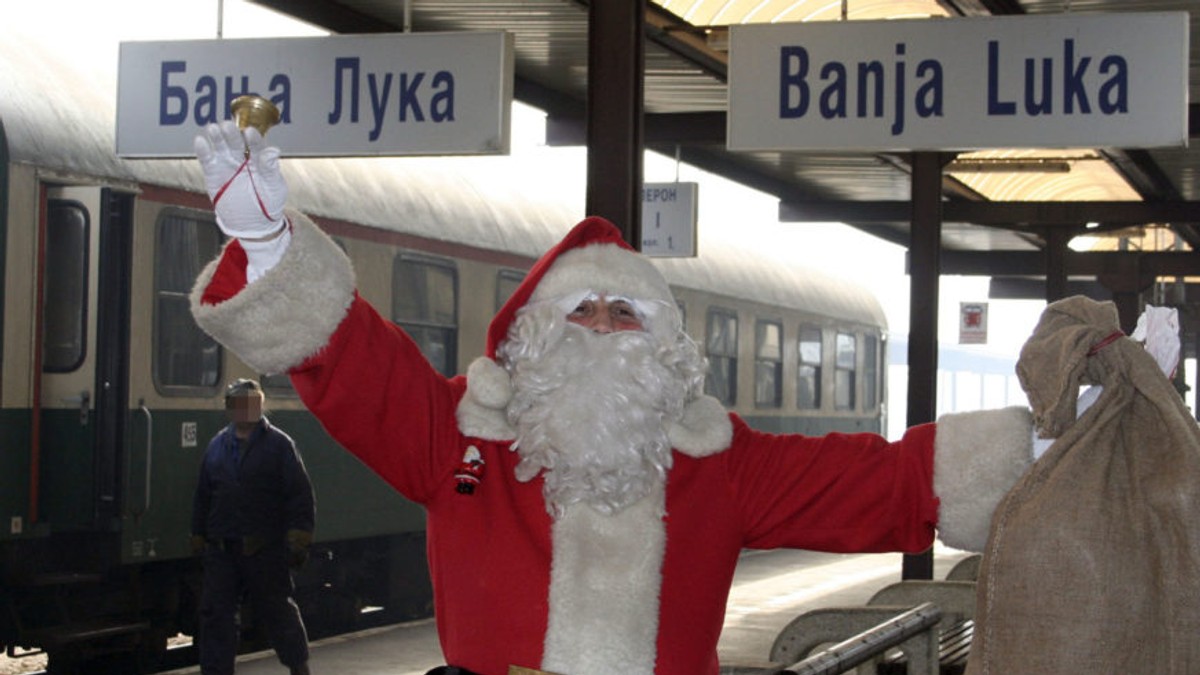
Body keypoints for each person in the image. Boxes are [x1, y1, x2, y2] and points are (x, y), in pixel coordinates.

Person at [189, 121, 1034, 675]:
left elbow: (881, 479)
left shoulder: (719, 463)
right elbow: (361, 368)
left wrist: (1056, 446)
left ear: (658, 344)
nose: (599, 325)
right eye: (578, 310)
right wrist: (269, 248)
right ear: (533, 339)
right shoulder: (461, 440)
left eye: (623, 311)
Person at [191, 378, 316, 675]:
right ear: (229, 409)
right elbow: (204, 494)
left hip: (265, 549)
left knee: (278, 613)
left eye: (252, 403)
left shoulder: (280, 445)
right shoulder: (216, 447)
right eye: (240, 404)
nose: (246, 410)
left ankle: (299, 667)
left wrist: (299, 540)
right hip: (223, 548)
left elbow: (299, 494)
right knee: (216, 617)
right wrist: (198, 534)